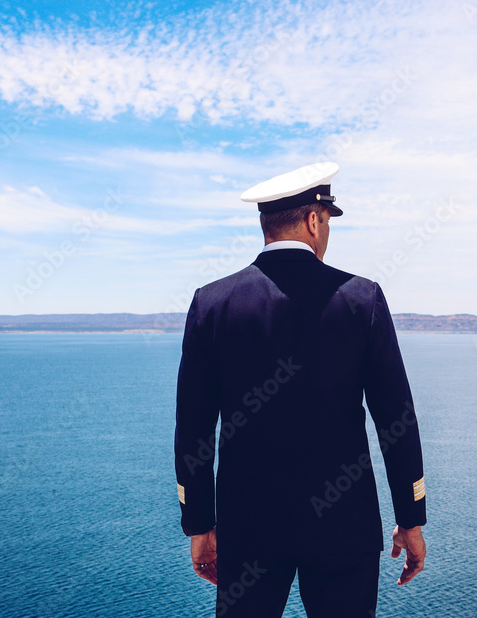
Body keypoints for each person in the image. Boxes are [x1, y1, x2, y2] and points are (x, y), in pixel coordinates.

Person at [174, 162, 427, 617]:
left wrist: (199, 525)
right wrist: (410, 518)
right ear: (314, 220)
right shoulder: (362, 299)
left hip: (247, 531)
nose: (326, 232)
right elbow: (396, 420)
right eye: (327, 221)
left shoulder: (211, 304)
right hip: (344, 531)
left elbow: (193, 429)